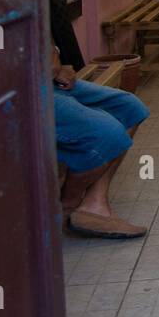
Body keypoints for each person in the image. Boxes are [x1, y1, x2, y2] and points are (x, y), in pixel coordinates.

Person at [50, 31, 150, 239]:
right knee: (109, 133)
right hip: (21, 90)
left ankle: (94, 205)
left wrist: (59, 60)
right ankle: (68, 203)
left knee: (130, 107)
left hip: (52, 80)